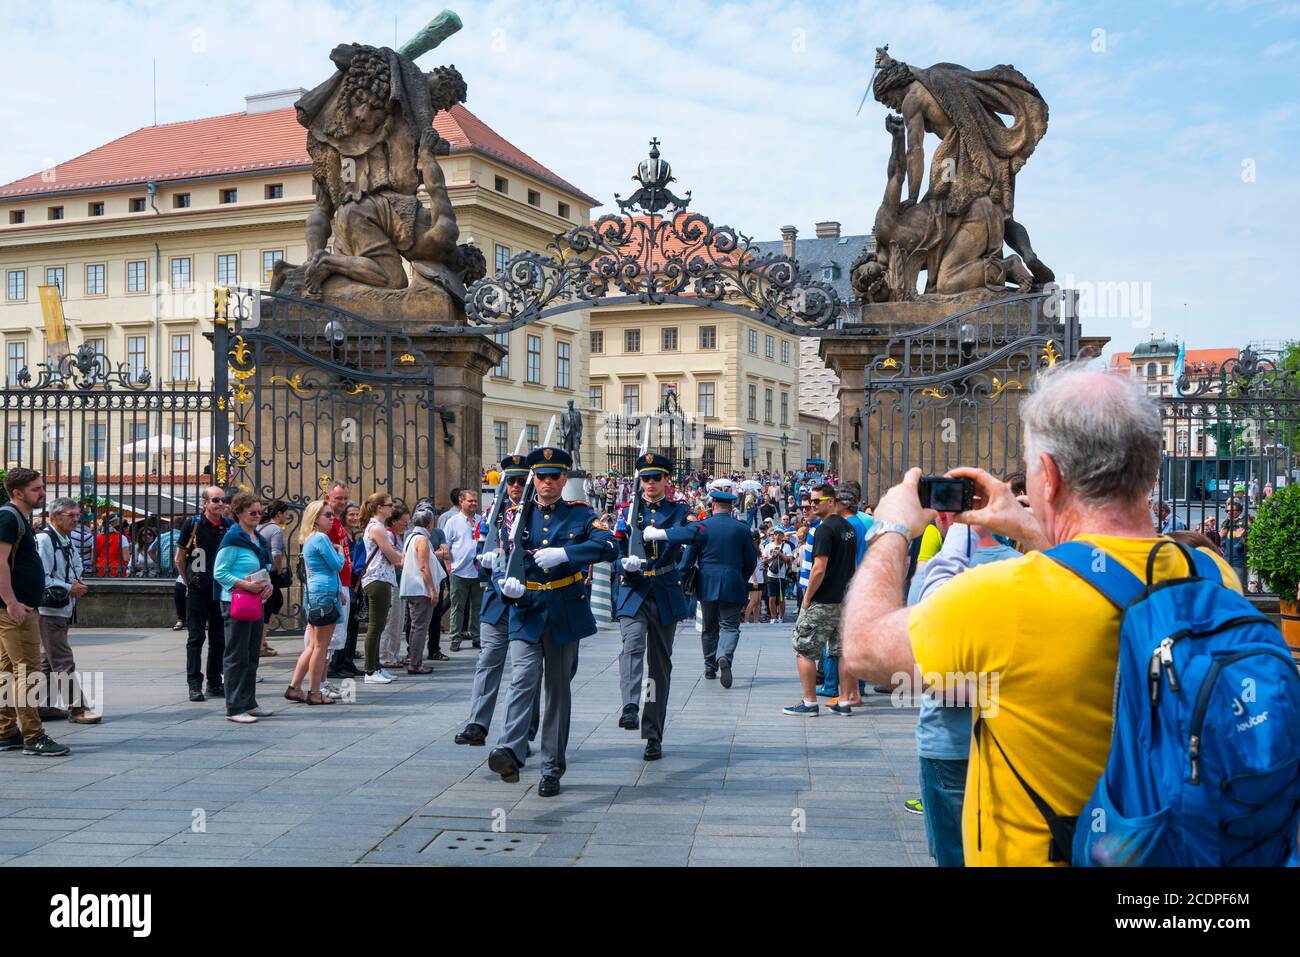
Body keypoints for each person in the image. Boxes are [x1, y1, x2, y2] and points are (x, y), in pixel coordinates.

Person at [840, 363, 1242, 866]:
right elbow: (1112, 567)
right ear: (1149, 468)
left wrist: (890, 530)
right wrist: (1027, 526)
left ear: (1047, 477)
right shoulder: (1210, 573)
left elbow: (862, 646)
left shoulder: (1006, 597)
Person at [487, 446, 618, 797]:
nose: (547, 482)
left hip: (563, 608)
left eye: (554, 476)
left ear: (564, 479)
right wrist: (506, 587)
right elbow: (500, 564)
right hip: (526, 609)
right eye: (540, 476)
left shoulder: (580, 514)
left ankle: (550, 768)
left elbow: (609, 546)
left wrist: (567, 553)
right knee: (522, 680)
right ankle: (510, 750)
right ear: (534, 479)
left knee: (557, 691)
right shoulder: (515, 517)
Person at [908, 518, 1020, 866]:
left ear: (943, 517)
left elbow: (919, 672)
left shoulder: (932, 576)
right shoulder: (1025, 568)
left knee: (955, 855)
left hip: (950, 741)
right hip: (1017, 740)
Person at [613, 452, 692, 760]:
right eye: (645, 478)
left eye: (655, 478)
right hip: (634, 588)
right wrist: (624, 564)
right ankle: (630, 705)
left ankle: (653, 731)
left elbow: (696, 533)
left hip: (663, 590)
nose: (649, 483)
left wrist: (665, 533)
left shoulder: (678, 510)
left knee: (658, 667)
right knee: (631, 646)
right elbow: (614, 546)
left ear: (665, 480)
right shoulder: (628, 511)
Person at [648, 478, 756, 686]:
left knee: (709, 626)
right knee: (730, 626)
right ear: (730, 507)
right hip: (733, 581)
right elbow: (751, 560)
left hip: (707, 582)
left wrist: (682, 580)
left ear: (713, 506)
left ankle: (709, 666)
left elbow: (688, 558)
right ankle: (724, 656)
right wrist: (740, 578)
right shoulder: (742, 528)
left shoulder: (702, 527)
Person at [456, 454, 530, 745]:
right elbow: (481, 550)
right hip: (496, 599)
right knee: (488, 661)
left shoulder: (537, 514)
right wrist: (486, 562)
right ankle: (477, 724)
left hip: (526, 596)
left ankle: (525, 728)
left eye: (521, 481)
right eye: (510, 480)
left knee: (526, 669)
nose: (515, 486)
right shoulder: (492, 514)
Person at [0, 469, 69, 756]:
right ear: (17, 492)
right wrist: (12, 602)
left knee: (6, 671)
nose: (42, 493)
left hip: (15, 608)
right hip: (17, 610)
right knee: (26, 672)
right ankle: (33, 736)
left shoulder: (18, 518)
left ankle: (6, 731)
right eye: (36, 489)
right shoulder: (9, 517)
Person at [783, 484, 857, 717]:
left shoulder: (824, 530)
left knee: (804, 648)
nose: (812, 506)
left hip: (822, 600)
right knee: (842, 651)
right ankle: (844, 701)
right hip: (843, 599)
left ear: (831, 501)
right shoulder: (849, 528)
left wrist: (806, 598)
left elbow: (819, 568)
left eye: (817, 501)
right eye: (810, 502)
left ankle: (809, 702)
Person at [212, 492, 275, 724]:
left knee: (250, 654)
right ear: (239, 513)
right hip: (235, 601)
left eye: (260, 512)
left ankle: (249, 702)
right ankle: (234, 706)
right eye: (252, 512)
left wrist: (266, 585)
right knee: (236, 655)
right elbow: (219, 572)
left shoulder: (257, 539)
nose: (257, 516)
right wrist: (246, 585)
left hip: (255, 601)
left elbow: (264, 568)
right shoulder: (233, 538)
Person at [35, 498, 97, 725]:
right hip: (49, 608)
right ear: (54, 517)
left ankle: (42, 706)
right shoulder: (45, 540)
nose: (76, 519)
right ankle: (77, 708)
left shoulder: (64, 539)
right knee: (62, 659)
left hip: (60, 607)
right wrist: (70, 586)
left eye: (76, 514)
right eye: (70, 515)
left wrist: (75, 582)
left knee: (48, 659)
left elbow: (76, 567)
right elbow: (41, 577)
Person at [176, 487, 232, 702]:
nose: (220, 503)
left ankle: (215, 683)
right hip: (198, 590)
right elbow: (180, 557)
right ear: (204, 503)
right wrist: (188, 582)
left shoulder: (229, 526)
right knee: (196, 638)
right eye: (215, 500)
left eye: (223, 500)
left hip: (221, 589)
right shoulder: (193, 524)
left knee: (219, 639)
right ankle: (194, 684)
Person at [288, 499, 344, 706]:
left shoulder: (310, 538)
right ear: (315, 518)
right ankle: (314, 691)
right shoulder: (321, 538)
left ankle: (295, 687)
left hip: (316, 593)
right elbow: (337, 565)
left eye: (332, 515)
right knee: (321, 647)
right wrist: (339, 551)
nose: (332, 519)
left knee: (312, 646)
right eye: (327, 515)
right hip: (325, 594)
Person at [359, 491, 402, 683]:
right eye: (389, 505)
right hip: (377, 579)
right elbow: (392, 556)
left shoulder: (378, 527)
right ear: (379, 508)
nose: (391, 508)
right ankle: (370, 671)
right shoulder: (376, 528)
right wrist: (408, 560)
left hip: (382, 578)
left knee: (380, 624)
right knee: (375, 626)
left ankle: (377, 666)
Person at [398, 507, 441, 675]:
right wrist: (432, 589)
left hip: (412, 587)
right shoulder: (422, 539)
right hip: (420, 588)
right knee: (420, 627)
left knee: (416, 626)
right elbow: (424, 566)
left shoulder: (410, 537)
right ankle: (415, 663)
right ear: (430, 524)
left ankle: (414, 660)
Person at [325, 484, 360, 679]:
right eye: (339, 498)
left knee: (342, 629)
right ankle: (330, 668)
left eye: (345, 498)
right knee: (333, 631)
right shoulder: (328, 521)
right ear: (328, 496)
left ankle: (339, 664)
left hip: (344, 581)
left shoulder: (337, 521)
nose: (343, 502)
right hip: (336, 582)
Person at [445, 488, 482, 653]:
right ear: (461, 502)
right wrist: (448, 567)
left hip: (479, 571)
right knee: (457, 607)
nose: (474, 503)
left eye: (475, 500)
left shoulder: (481, 520)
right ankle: (455, 638)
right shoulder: (453, 521)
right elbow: (445, 546)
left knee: (478, 607)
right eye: (470, 501)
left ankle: (477, 637)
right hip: (459, 571)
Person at [256, 499, 292, 656]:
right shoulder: (276, 529)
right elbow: (276, 553)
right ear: (279, 514)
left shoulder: (260, 526)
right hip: (270, 572)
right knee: (273, 603)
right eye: (285, 513)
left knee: (268, 604)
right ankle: (260, 645)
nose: (286, 517)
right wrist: (279, 569)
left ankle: (262, 641)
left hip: (260, 570)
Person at [379, 504, 411, 668]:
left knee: (398, 622)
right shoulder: (389, 535)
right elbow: (394, 559)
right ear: (394, 521)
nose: (406, 525)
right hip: (392, 582)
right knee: (391, 621)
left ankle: (394, 654)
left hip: (400, 582)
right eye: (404, 522)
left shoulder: (398, 536)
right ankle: (385, 656)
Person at [762, 527, 794, 624]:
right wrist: (772, 557)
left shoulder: (787, 546)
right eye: (775, 534)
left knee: (781, 598)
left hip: (781, 576)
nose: (777, 536)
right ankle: (773, 617)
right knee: (772, 598)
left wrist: (780, 554)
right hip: (771, 575)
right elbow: (764, 561)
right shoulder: (768, 546)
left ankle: (781, 617)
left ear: (782, 536)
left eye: (779, 534)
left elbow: (789, 560)